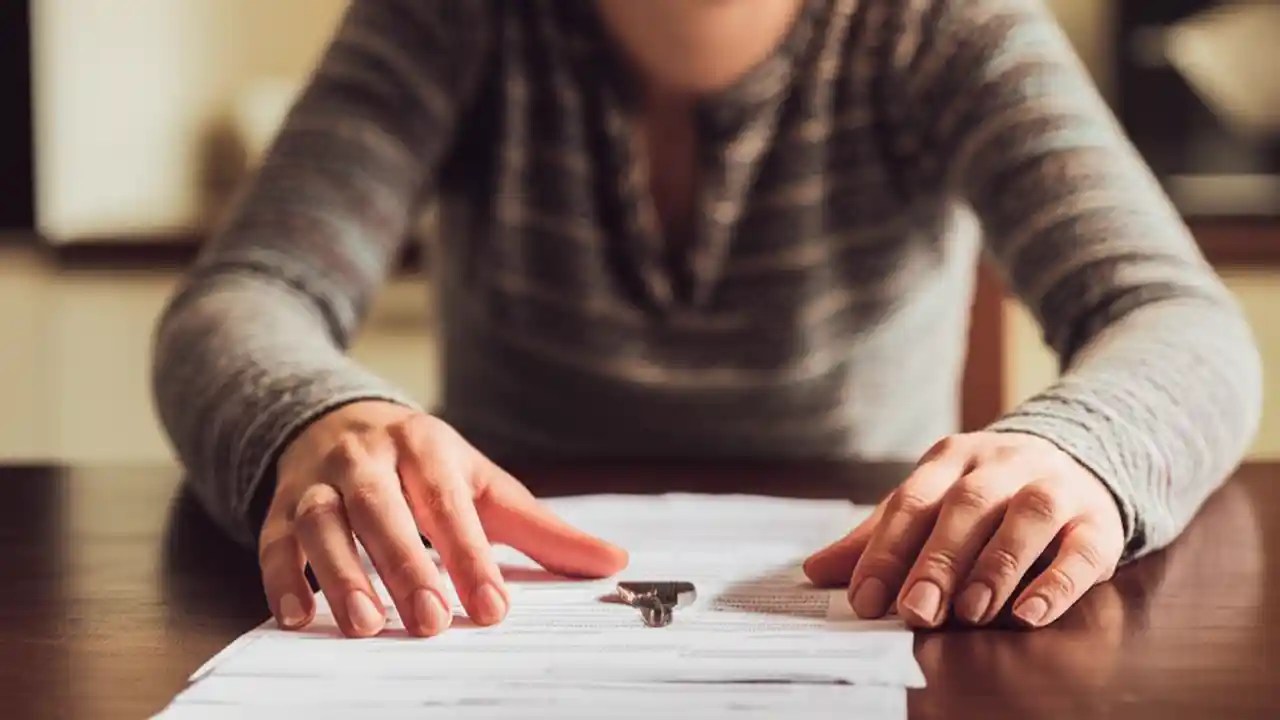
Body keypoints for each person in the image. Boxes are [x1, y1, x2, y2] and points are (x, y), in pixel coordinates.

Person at [151, 0, 1262, 640]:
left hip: (871, 614)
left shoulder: (939, 21)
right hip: (501, 616)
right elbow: (246, 294)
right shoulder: (450, 16)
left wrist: (1076, 448)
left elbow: (1171, 315)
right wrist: (320, 416)